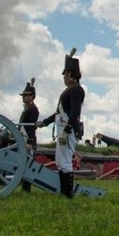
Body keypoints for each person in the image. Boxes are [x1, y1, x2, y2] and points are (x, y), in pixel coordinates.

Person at [38, 48, 84, 199]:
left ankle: (67, 195)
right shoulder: (70, 90)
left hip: (68, 130)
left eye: (65, 74)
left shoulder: (76, 90)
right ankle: (64, 193)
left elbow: (74, 113)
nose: (63, 77)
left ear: (70, 74)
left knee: (65, 162)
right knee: (60, 161)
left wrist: (66, 130)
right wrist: (44, 122)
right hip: (64, 129)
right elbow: (59, 113)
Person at [17, 78, 39, 192]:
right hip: (23, 137)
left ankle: (26, 188)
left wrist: (30, 141)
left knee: (27, 163)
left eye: (25, 95)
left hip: (27, 139)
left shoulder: (33, 109)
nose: (23, 97)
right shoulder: (27, 108)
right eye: (23, 95)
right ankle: (24, 187)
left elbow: (32, 127)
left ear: (31, 96)